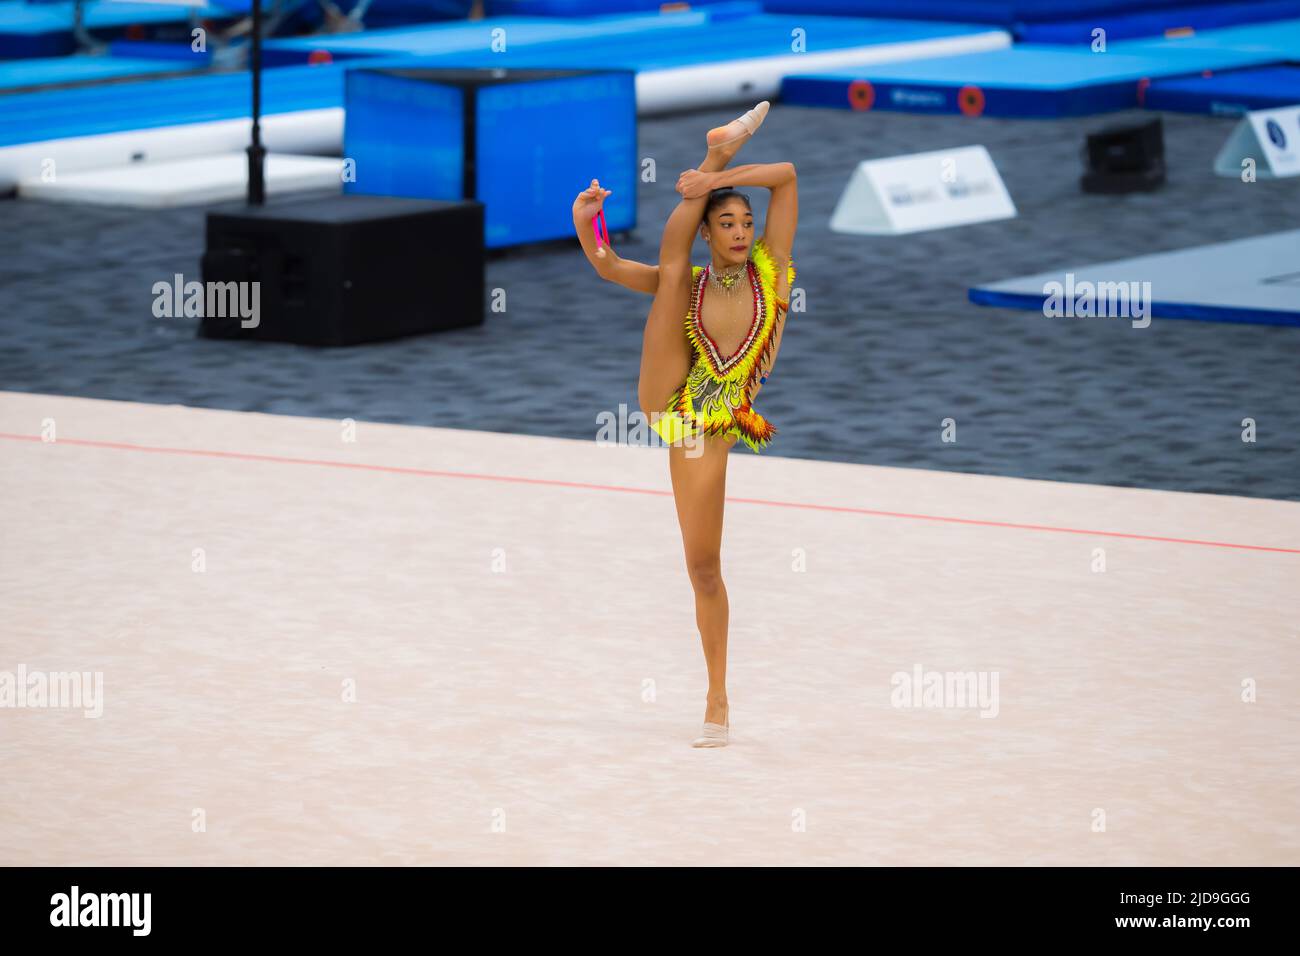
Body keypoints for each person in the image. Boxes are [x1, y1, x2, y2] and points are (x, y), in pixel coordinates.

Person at [573, 102, 798, 747]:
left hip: (714, 425)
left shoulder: (774, 271)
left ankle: (716, 695)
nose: (740, 231)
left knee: (703, 567)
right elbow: (608, 265)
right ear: (706, 232)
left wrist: (717, 176)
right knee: (672, 277)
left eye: (745, 221)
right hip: (672, 406)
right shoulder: (690, 281)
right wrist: (588, 223)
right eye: (725, 222)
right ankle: (714, 147)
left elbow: (785, 175)